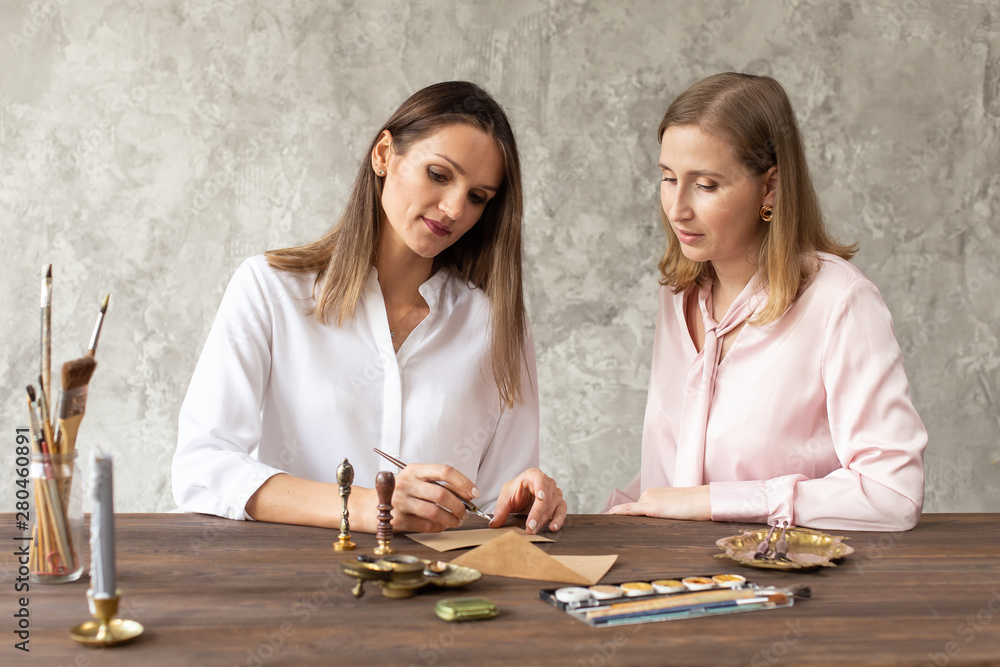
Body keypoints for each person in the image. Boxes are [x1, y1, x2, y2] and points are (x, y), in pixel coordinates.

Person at [173, 81, 566, 535]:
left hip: (439, 593)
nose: (455, 207)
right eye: (439, 174)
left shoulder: (498, 325)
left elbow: (496, 508)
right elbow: (202, 468)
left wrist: (526, 500)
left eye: (478, 197)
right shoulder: (270, 290)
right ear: (384, 154)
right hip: (297, 580)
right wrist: (367, 507)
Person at [607, 73, 926, 531]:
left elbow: (892, 495)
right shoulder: (677, 296)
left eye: (707, 184)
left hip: (783, 585)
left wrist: (719, 501)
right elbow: (676, 477)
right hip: (676, 580)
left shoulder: (840, 302)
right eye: (668, 177)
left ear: (770, 187)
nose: (677, 208)